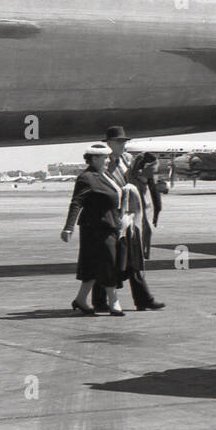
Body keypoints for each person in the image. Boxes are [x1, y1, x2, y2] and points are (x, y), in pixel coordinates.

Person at [88, 125, 164, 312]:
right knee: (108, 259)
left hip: (129, 216)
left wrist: (146, 176)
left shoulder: (129, 160)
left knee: (134, 258)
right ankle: (100, 301)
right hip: (111, 216)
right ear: (109, 144)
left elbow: (137, 184)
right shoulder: (101, 164)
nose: (123, 145)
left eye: (124, 142)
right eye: (119, 142)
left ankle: (143, 299)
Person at [60, 142, 124, 315]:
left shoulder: (104, 175)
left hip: (109, 225)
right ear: (94, 158)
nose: (108, 160)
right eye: (105, 157)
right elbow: (76, 203)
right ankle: (114, 302)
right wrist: (68, 227)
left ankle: (80, 300)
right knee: (109, 262)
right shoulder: (86, 177)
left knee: (91, 266)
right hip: (96, 228)